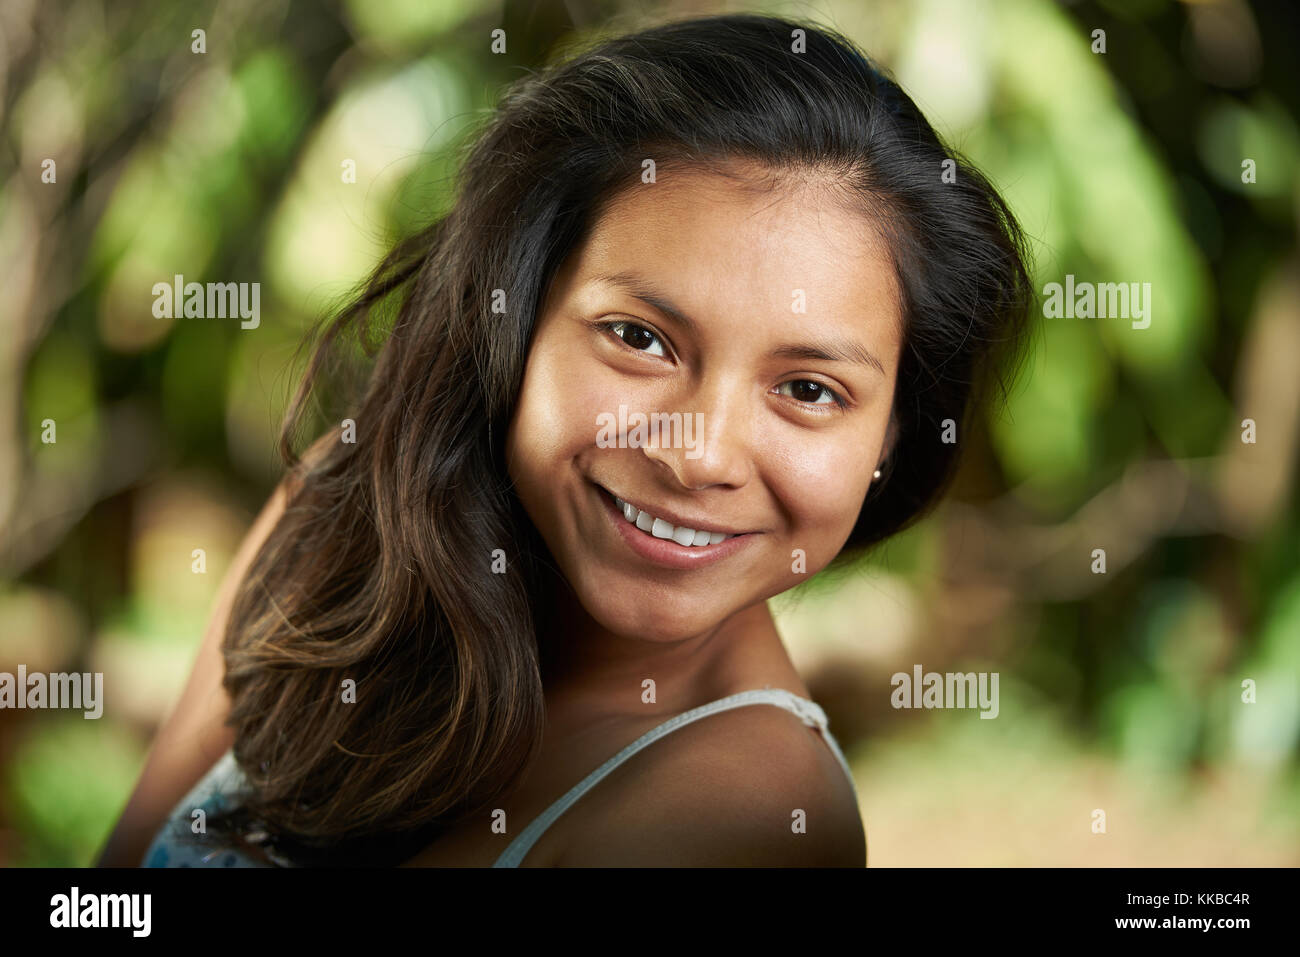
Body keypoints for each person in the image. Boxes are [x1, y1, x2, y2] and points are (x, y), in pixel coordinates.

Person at [97, 11, 1034, 868]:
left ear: (891, 437)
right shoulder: (343, 503)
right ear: (515, 318)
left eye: (809, 389)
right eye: (640, 338)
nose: (698, 454)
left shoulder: (747, 814)